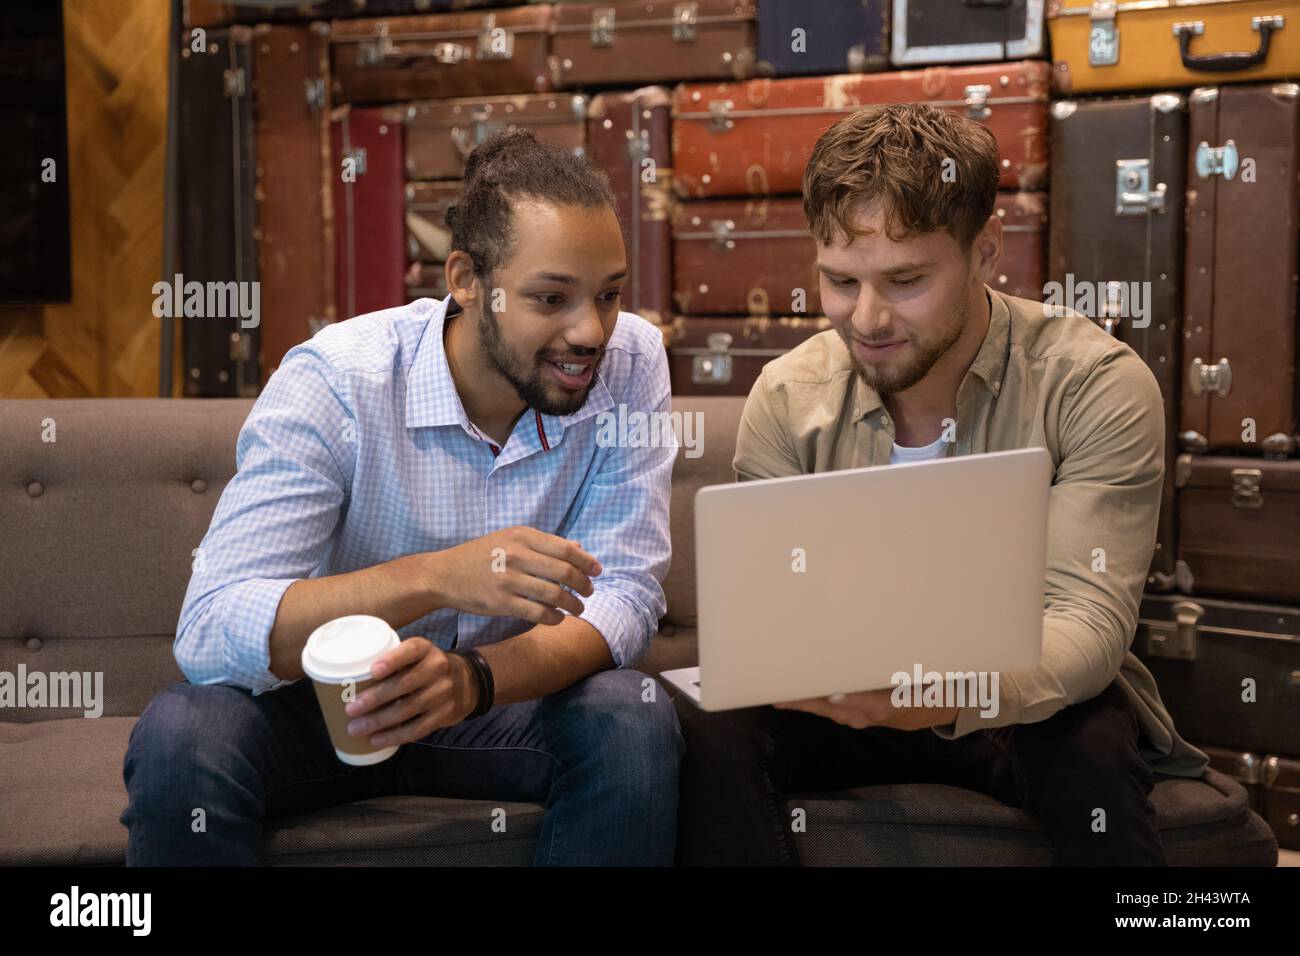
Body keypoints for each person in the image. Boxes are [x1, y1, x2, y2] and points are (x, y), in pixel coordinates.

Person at [123, 129, 683, 866]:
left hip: (502, 702)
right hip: (329, 707)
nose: (590, 331)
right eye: (552, 297)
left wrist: (471, 681)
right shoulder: (337, 380)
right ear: (466, 278)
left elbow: (623, 598)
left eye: (608, 296)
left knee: (633, 720)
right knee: (182, 735)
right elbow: (210, 631)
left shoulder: (632, 362)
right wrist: (435, 576)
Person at [674, 103, 1208, 866]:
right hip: (837, 701)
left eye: (906, 280)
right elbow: (769, 615)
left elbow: (1086, 625)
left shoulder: (1095, 382)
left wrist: (934, 693)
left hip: (1014, 700)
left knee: (1088, 740)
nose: (867, 318)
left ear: (985, 247)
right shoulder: (788, 396)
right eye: (839, 281)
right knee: (705, 727)